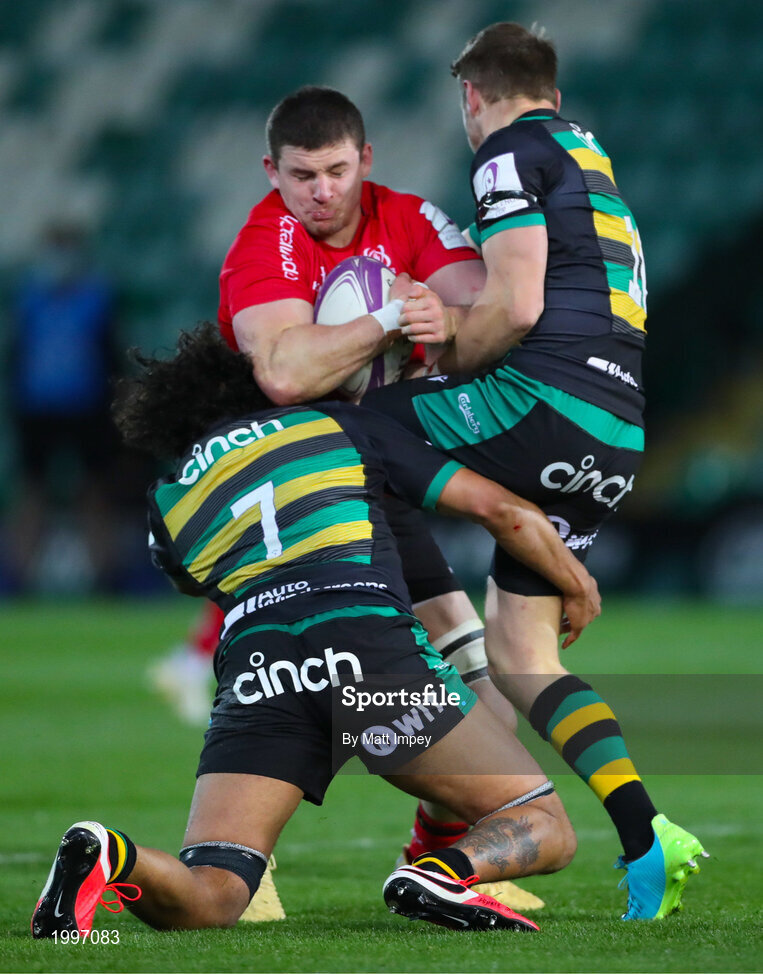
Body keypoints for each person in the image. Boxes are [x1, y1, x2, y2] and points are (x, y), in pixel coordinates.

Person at [32, 322, 602, 938]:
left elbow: (197, 579)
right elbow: (500, 510)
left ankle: (110, 854)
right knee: (542, 823)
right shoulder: (338, 424)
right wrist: (575, 581)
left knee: (216, 892)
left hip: (258, 663)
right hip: (363, 643)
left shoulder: (169, 499)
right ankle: (439, 872)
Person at [151, 86, 541, 912]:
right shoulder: (264, 243)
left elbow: (486, 314)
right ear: (272, 173)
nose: (320, 192)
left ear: (365, 160)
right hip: (300, 478)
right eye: (301, 176)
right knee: (336, 659)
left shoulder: (408, 216)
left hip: (364, 462)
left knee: (462, 664)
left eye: (334, 171)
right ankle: (440, 854)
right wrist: (396, 314)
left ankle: (443, 855)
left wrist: (448, 317)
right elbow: (288, 375)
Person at [363, 22, 708, 921]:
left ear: (471, 97)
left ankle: (369, 649)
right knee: (524, 654)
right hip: (616, 430)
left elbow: (513, 306)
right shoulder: (589, 160)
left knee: (356, 428)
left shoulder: (507, 153)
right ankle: (647, 837)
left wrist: (441, 354)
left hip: (543, 404)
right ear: (551, 89)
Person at [4, 221, 119, 593]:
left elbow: (110, 355)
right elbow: (18, 356)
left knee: (94, 493)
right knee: (33, 493)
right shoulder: (30, 300)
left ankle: (103, 579)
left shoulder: (97, 298)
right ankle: (18, 579)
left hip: (88, 408)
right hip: (37, 409)